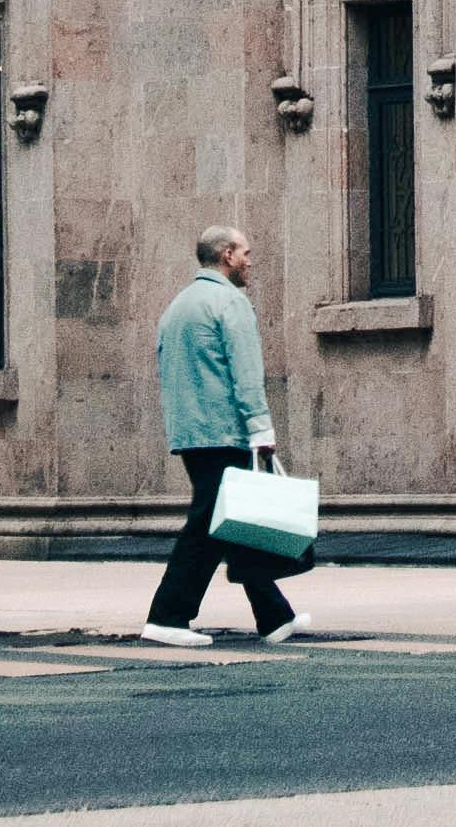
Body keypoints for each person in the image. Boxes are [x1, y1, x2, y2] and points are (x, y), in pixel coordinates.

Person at [141, 226, 311, 645]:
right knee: (206, 526)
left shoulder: (178, 306)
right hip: (224, 431)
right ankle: (167, 617)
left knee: (234, 523)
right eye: (246, 253)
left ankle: (274, 618)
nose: (251, 261)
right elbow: (247, 373)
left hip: (191, 432)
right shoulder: (230, 302)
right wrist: (261, 429)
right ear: (227, 255)